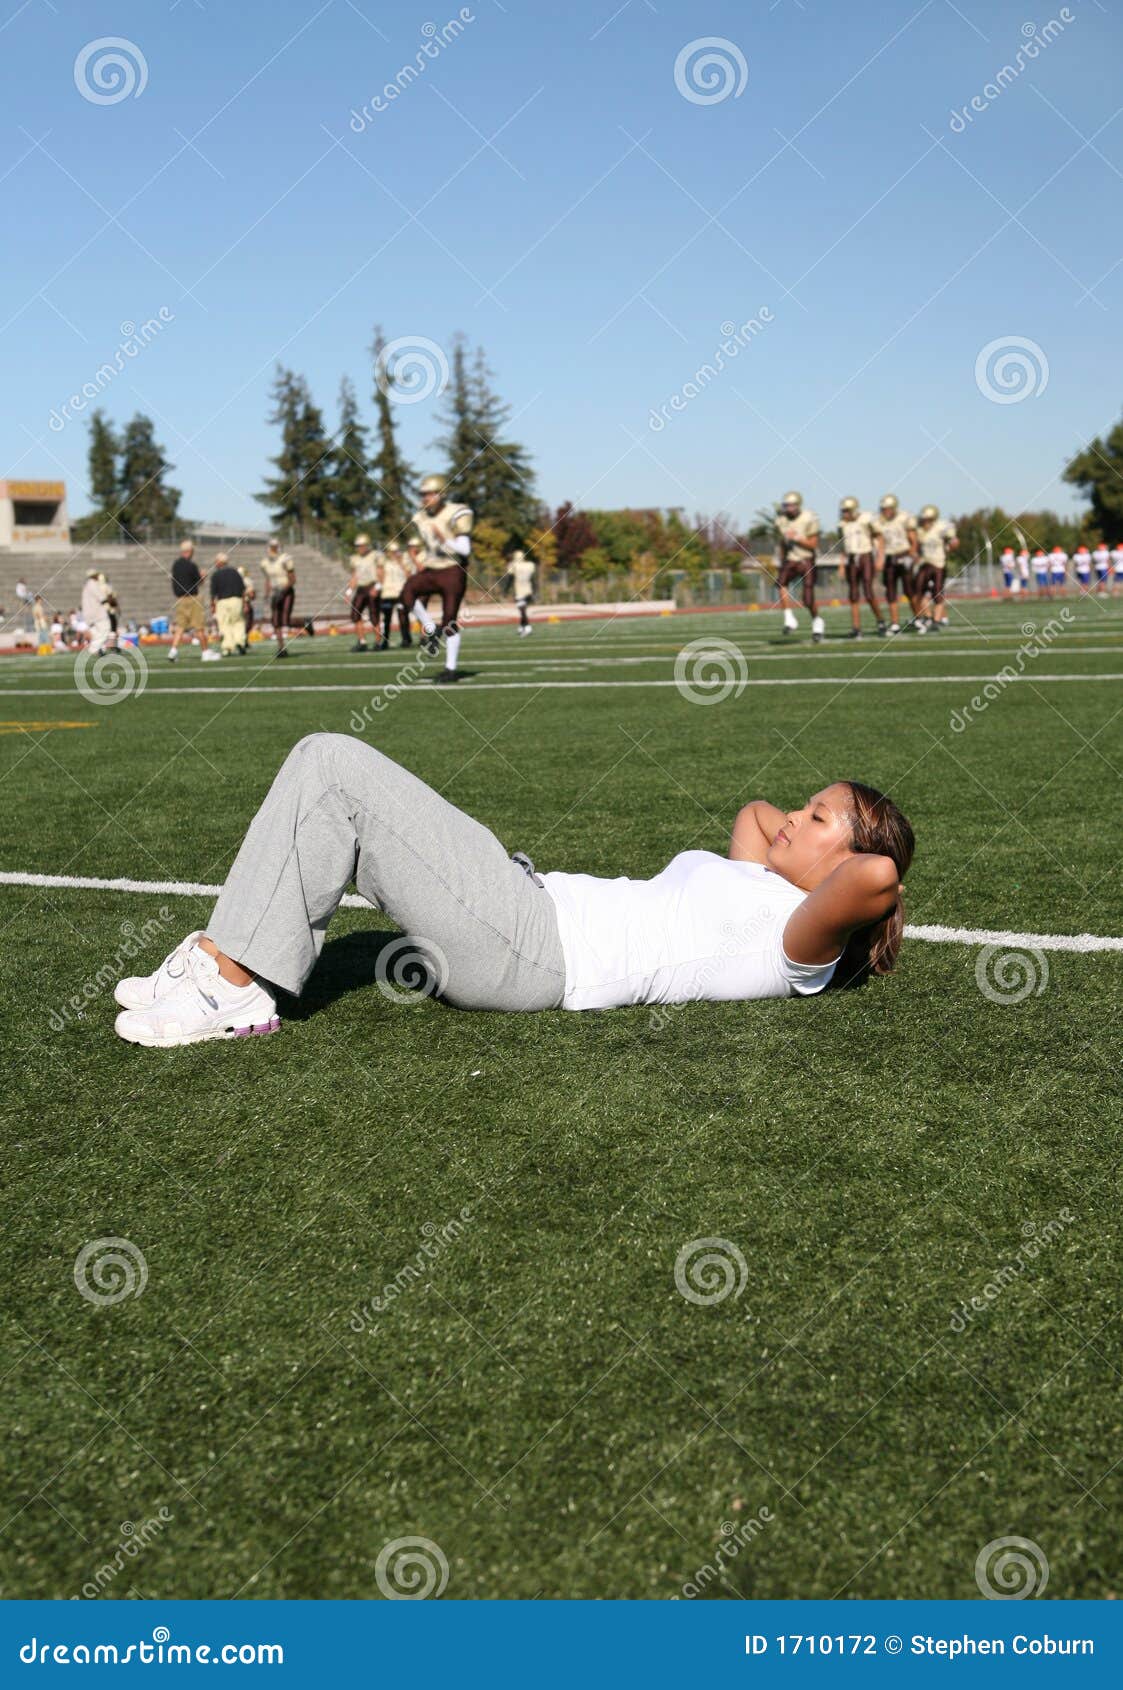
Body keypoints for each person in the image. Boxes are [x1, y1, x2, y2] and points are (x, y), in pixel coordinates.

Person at [111, 734, 914, 1046]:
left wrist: (850, 857)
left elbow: (876, 877)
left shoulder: (796, 944)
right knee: (328, 770)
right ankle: (224, 955)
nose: (791, 817)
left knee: (332, 767)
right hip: (522, 902)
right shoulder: (763, 877)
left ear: (846, 865)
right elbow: (753, 814)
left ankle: (233, 983)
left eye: (816, 817)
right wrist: (813, 831)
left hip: (532, 950)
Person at [399, 474, 474, 683]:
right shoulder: (420, 517)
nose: (425, 498)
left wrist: (444, 540)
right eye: (423, 495)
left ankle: (450, 669)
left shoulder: (457, 512)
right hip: (432, 569)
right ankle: (431, 629)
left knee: (449, 620)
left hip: (452, 570)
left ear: (441, 494)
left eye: (430, 494)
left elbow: (465, 549)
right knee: (407, 593)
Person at [774, 491, 823, 642]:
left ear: (798, 505)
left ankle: (817, 621)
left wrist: (797, 538)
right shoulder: (781, 520)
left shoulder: (809, 518)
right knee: (780, 583)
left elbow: (813, 544)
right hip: (791, 559)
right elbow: (782, 542)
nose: (788, 508)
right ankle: (789, 618)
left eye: (791, 505)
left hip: (806, 559)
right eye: (786, 505)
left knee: (807, 599)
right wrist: (781, 559)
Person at [838, 497, 884, 639]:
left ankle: (880, 620)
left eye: (847, 511)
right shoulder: (842, 525)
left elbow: (879, 537)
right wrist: (841, 564)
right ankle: (856, 628)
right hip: (852, 559)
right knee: (853, 594)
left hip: (865, 556)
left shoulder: (867, 519)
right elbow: (842, 546)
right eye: (843, 511)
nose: (844, 513)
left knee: (868, 593)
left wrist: (880, 557)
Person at [872, 494, 918, 634]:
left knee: (909, 591)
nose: (885, 511)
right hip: (889, 557)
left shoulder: (904, 517)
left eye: (888, 508)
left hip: (904, 555)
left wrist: (912, 554)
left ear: (894, 508)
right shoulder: (879, 521)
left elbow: (913, 539)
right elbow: (880, 541)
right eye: (883, 509)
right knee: (890, 592)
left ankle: (920, 618)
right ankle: (895, 623)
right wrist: (880, 559)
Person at [169, 541, 219, 662]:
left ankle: (173, 651)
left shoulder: (175, 565)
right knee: (199, 627)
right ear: (190, 551)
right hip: (192, 598)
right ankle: (205, 652)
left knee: (180, 626)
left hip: (180, 599)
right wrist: (203, 576)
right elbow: (199, 582)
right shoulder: (191, 565)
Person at [912, 505, 959, 632]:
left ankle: (937, 620)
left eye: (928, 520)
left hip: (939, 564)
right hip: (924, 563)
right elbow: (915, 545)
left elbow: (954, 542)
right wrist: (915, 555)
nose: (926, 522)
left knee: (938, 594)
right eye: (924, 519)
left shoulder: (942, 528)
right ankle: (928, 617)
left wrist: (951, 545)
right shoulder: (919, 529)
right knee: (917, 592)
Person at [345, 533, 381, 652]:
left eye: (361, 545)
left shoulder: (375, 555)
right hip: (361, 588)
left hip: (372, 586)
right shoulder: (354, 559)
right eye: (358, 546)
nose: (359, 548)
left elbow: (381, 572)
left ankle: (378, 642)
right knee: (355, 615)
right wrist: (349, 591)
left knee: (374, 616)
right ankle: (362, 642)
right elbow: (354, 576)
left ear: (367, 545)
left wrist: (377, 587)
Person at [210, 552, 247, 655]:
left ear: (219, 562)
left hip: (222, 601)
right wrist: (245, 603)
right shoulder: (235, 572)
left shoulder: (216, 575)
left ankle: (228, 647)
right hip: (236, 600)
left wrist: (212, 605)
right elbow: (243, 589)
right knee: (238, 622)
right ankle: (240, 642)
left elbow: (213, 593)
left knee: (224, 624)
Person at [378, 541, 412, 649]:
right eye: (391, 552)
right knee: (386, 619)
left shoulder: (404, 562)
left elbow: (408, 576)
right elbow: (380, 577)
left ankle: (406, 638)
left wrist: (401, 563)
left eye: (395, 551)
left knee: (403, 616)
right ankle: (385, 640)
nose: (393, 554)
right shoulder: (384, 563)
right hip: (387, 593)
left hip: (400, 592)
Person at [81, 569, 112, 655]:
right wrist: (109, 599)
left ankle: (100, 650)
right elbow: (102, 598)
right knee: (105, 629)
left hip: (88, 614)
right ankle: (93, 649)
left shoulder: (87, 585)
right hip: (97, 613)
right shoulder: (93, 584)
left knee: (96, 633)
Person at [506, 550, 537, 636]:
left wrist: (506, 590)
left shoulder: (513, 565)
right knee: (523, 609)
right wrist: (535, 590)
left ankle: (527, 627)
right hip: (528, 590)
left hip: (519, 591)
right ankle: (521, 627)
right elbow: (533, 579)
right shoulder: (529, 565)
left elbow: (510, 579)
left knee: (522, 610)